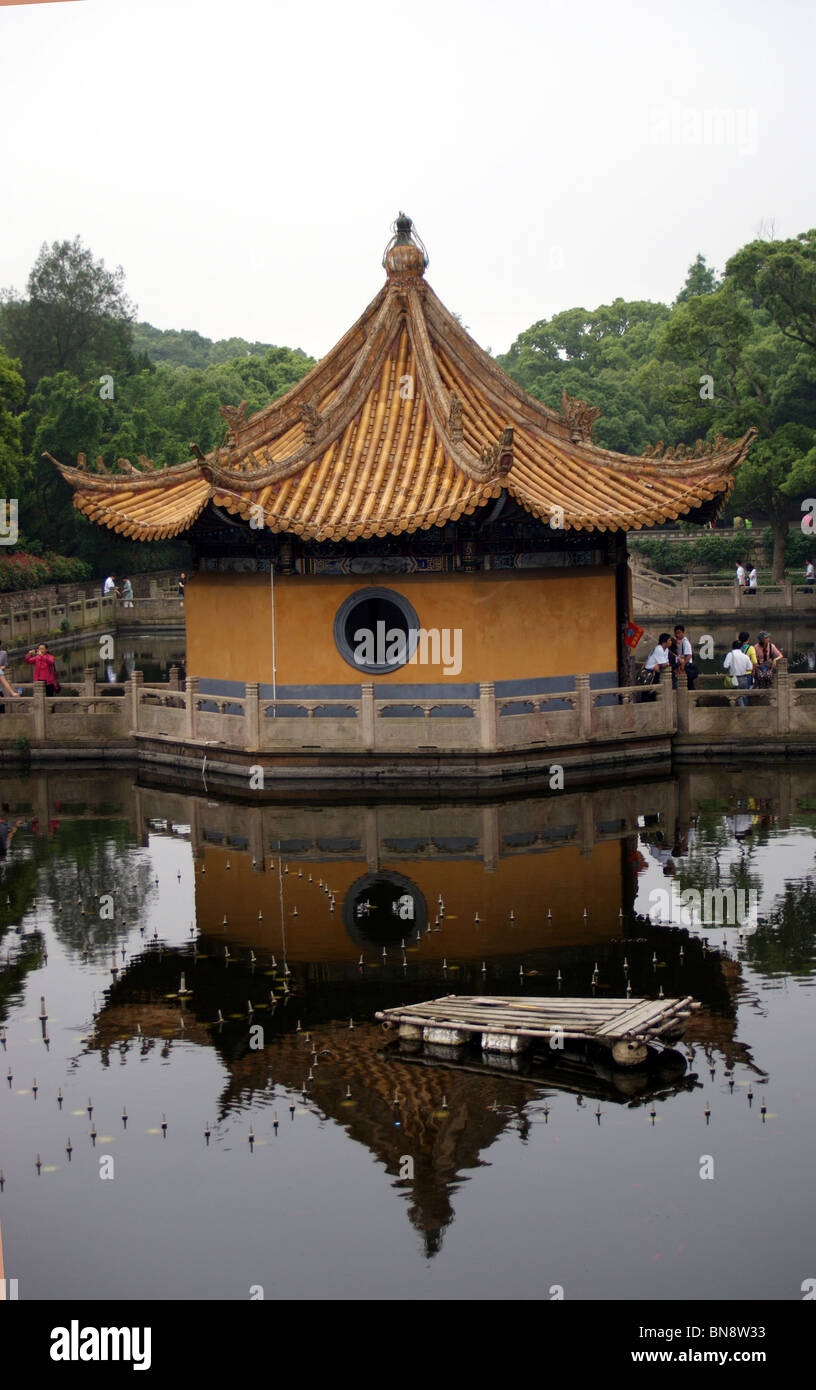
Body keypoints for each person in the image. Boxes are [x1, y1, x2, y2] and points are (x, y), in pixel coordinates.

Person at [723, 639, 753, 706]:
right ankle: (743, 711)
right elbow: (750, 668)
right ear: (741, 647)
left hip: (734, 679)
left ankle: (741, 712)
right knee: (742, 697)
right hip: (744, 678)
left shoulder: (730, 655)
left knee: (736, 697)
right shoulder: (745, 656)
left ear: (732, 647)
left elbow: (725, 666)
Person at [673, 624, 698, 690]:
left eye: (679, 633)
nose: (677, 635)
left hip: (687, 666)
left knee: (689, 685)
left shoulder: (685, 642)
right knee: (689, 685)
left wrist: (683, 665)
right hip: (684, 665)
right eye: (676, 633)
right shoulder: (680, 643)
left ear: (683, 633)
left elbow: (689, 655)